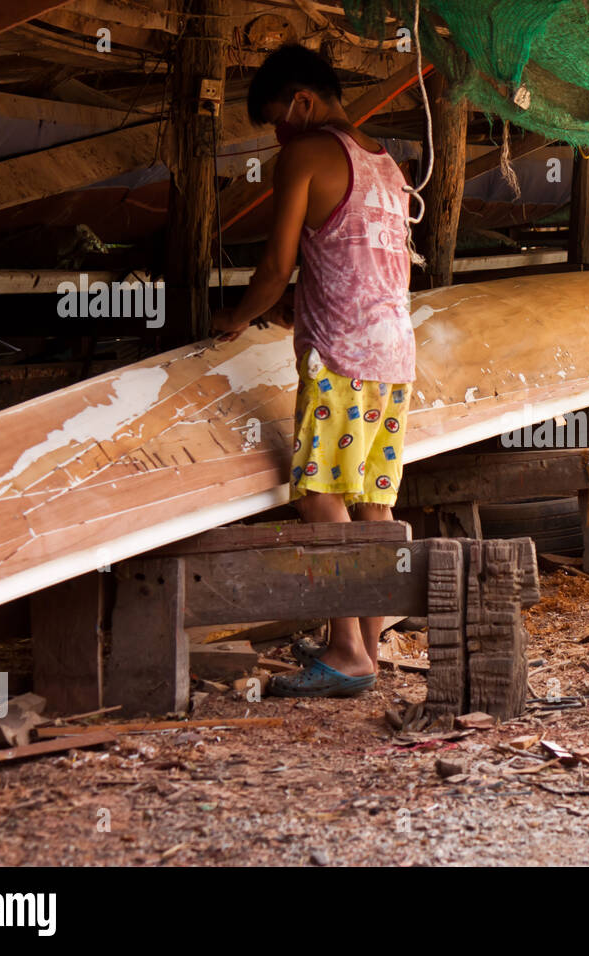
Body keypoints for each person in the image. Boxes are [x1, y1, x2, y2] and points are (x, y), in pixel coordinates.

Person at [212, 44, 416, 698]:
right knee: (374, 502)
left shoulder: (304, 154)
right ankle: (370, 649)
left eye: (277, 120)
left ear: (301, 102)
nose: (278, 135)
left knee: (317, 492)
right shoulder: (387, 164)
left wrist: (235, 319)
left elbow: (275, 267)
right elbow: (357, 257)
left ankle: (345, 649)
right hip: (396, 354)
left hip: (342, 357)